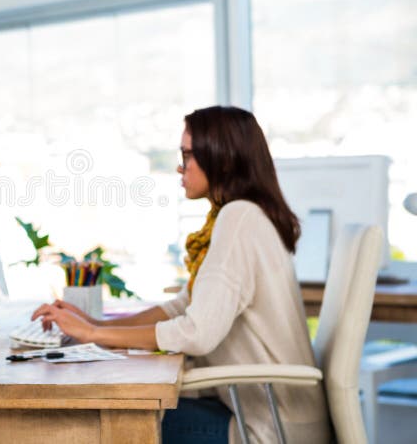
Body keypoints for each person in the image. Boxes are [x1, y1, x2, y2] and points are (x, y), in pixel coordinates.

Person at [32, 106, 331, 444]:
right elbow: (184, 306)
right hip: (266, 413)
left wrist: (92, 333)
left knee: (94, 420)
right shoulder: (239, 216)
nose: (180, 166)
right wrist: (96, 327)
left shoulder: (238, 218)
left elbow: (196, 331)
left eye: (188, 155)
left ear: (224, 159)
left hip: (268, 427)